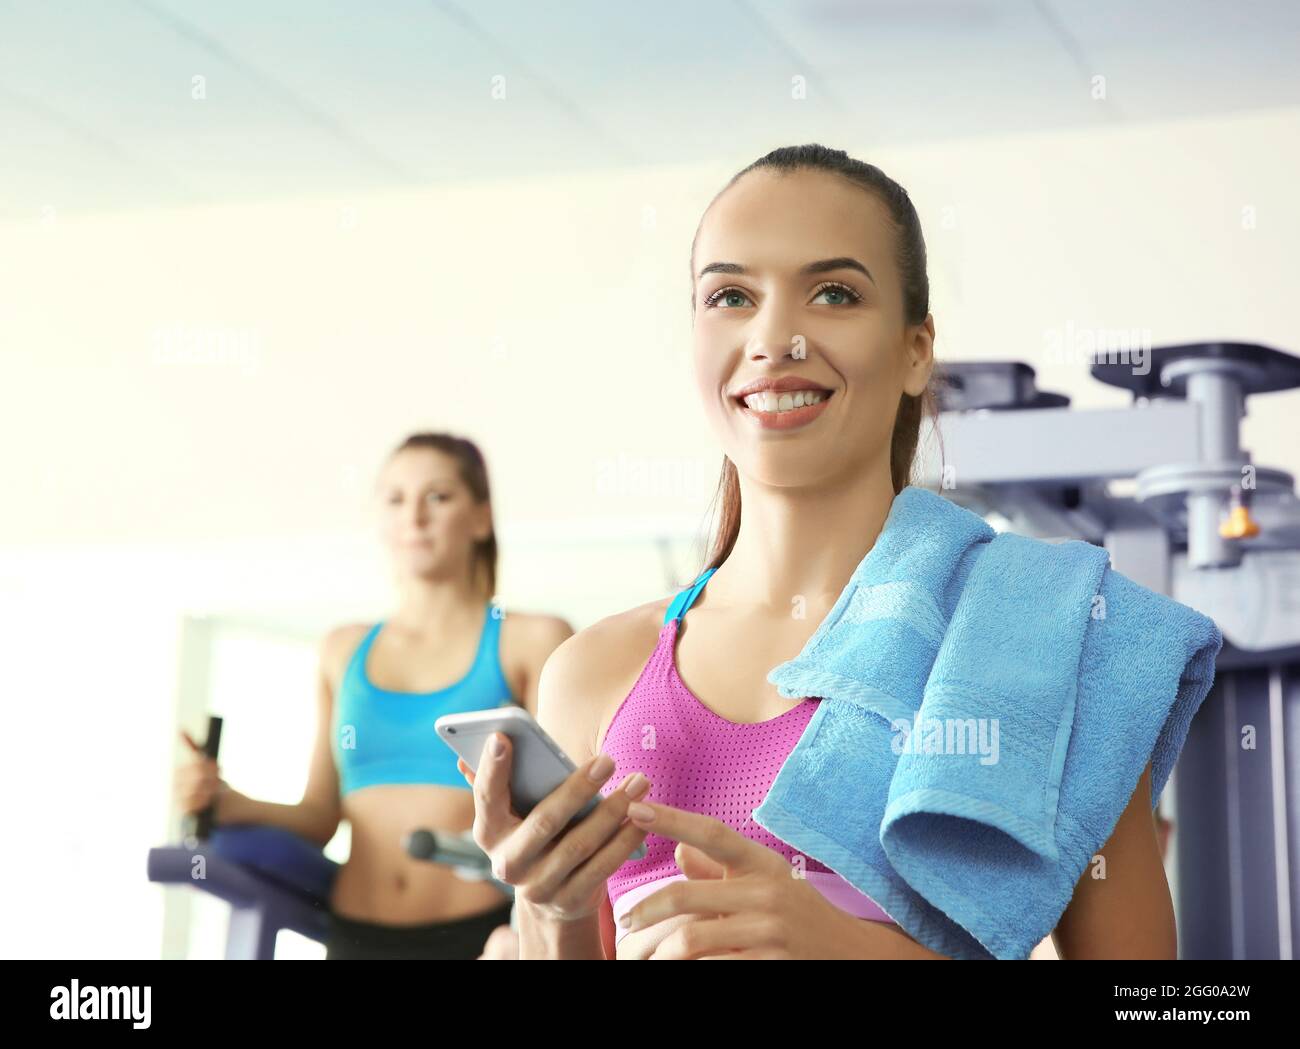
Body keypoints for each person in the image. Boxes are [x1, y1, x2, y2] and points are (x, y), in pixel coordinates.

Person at [461, 144, 1177, 959]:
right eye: (730, 295)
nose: (776, 339)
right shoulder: (591, 674)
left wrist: (853, 948)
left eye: (834, 293)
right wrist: (555, 915)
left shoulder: (1042, 640)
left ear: (916, 351)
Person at [175, 432, 572, 959]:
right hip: (356, 936)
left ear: (480, 518)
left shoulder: (533, 639)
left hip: (484, 934)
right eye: (395, 499)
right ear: (379, 521)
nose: (415, 516)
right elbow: (320, 816)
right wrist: (227, 803)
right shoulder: (342, 650)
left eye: (438, 496)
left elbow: (568, 811)